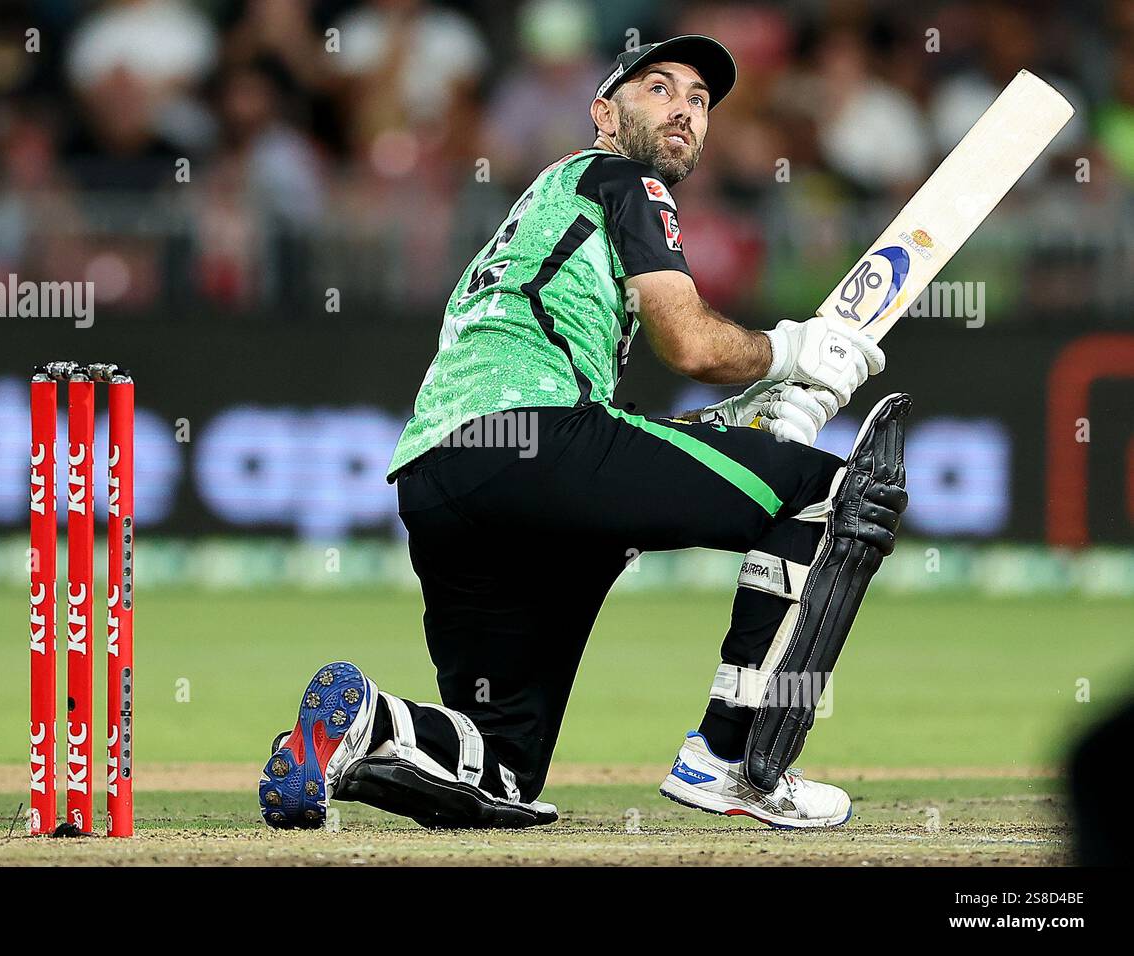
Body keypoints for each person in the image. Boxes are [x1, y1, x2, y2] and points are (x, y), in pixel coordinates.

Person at [260, 36, 909, 831]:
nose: (683, 108)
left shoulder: (549, 204)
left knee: (501, 767)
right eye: (658, 88)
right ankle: (733, 759)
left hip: (443, 479)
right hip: (531, 439)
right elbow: (693, 346)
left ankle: (365, 720)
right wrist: (794, 350)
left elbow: (624, 451)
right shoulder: (620, 178)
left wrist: (749, 419)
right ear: (603, 114)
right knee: (827, 492)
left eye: (699, 101)